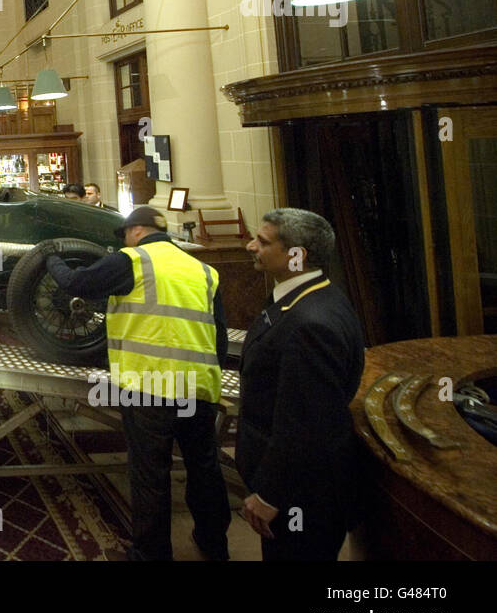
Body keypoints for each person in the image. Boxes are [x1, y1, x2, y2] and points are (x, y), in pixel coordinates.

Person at [46, 205, 231, 561]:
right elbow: (219, 335)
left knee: (150, 474)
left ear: (136, 232)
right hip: (198, 388)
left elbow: (75, 283)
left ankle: (150, 555)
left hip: (150, 388)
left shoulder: (131, 260)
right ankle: (214, 545)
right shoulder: (204, 270)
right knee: (204, 468)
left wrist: (51, 257)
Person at [238, 208, 365, 561]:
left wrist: (269, 495)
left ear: (297, 255)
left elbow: (305, 423)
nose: (251, 246)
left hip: (302, 497)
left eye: (263, 242)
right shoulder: (307, 297)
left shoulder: (311, 323)